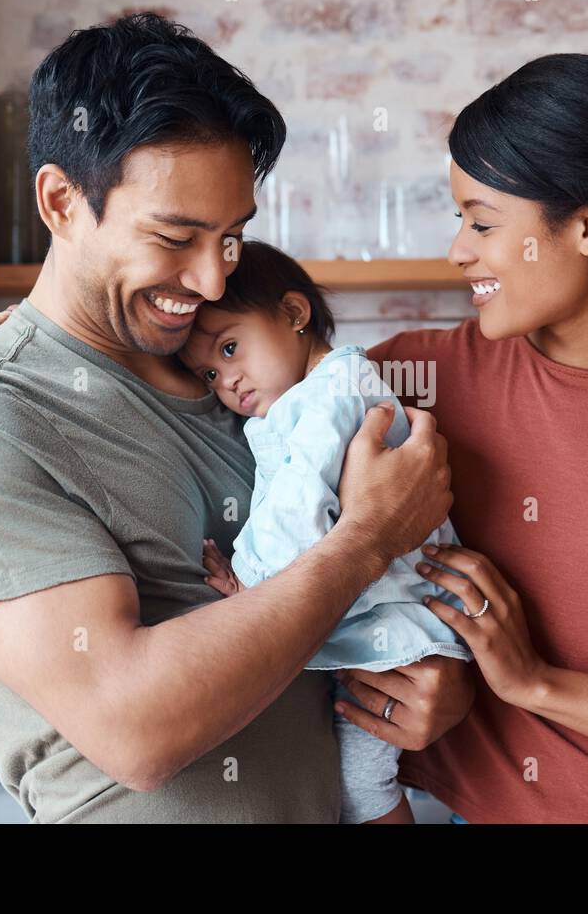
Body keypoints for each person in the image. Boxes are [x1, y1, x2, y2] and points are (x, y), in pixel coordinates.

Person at [0, 43, 588, 823]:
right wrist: (13, 365)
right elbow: (229, 388)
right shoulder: (404, 386)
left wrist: (529, 682)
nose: (457, 250)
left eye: (480, 221)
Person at [0, 13, 474, 823]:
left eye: (232, 238)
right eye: (175, 235)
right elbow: (137, 726)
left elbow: (342, 619)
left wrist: (438, 680)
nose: (206, 279)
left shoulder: (237, 377)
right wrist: (366, 540)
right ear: (60, 200)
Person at [178, 240, 475, 824]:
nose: (227, 380)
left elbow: (300, 505)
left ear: (294, 314)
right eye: (210, 372)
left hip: (400, 630)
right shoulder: (295, 404)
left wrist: (250, 588)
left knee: (361, 787)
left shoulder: (336, 392)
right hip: (377, 623)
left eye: (231, 347)